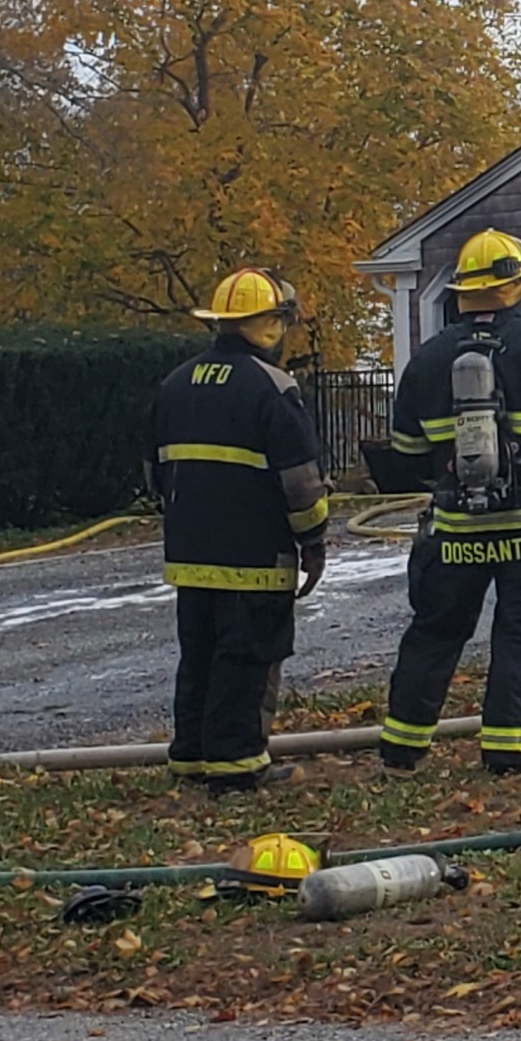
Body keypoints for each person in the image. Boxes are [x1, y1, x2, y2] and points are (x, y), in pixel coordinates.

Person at [379, 229, 521, 778]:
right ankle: (509, 754)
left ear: (462, 290)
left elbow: (405, 453)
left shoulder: (427, 359)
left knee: (434, 632)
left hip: (455, 531)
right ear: (520, 285)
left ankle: (400, 754)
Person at [148, 269, 329, 792]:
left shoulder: (175, 384)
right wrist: (313, 541)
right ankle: (238, 765)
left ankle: (191, 757)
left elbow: (154, 471)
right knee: (247, 659)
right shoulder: (273, 388)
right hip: (255, 557)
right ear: (269, 324)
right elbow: (300, 482)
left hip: (190, 555)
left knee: (199, 655)